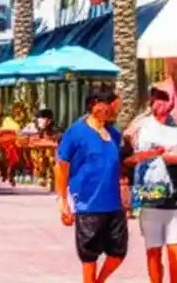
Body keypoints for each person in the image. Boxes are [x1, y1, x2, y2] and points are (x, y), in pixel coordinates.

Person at [126, 83, 177, 283]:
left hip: (175, 199)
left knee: (175, 252)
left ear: (173, 101)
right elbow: (127, 158)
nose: (158, 102)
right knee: (153, 252)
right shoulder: (140, 126)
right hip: (150, 200)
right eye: (155, 96)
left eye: (163, 97)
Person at [56, 85, 127, 283]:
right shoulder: (76, 131)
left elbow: (122, 163)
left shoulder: (113, 134)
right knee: (89, 256)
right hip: (87, 204)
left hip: (113, 204)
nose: (113, 109)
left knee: (118, 252)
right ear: (95, 104)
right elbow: (61, 166)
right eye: (109, 105)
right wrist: (62, 201)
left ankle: (99, 281)